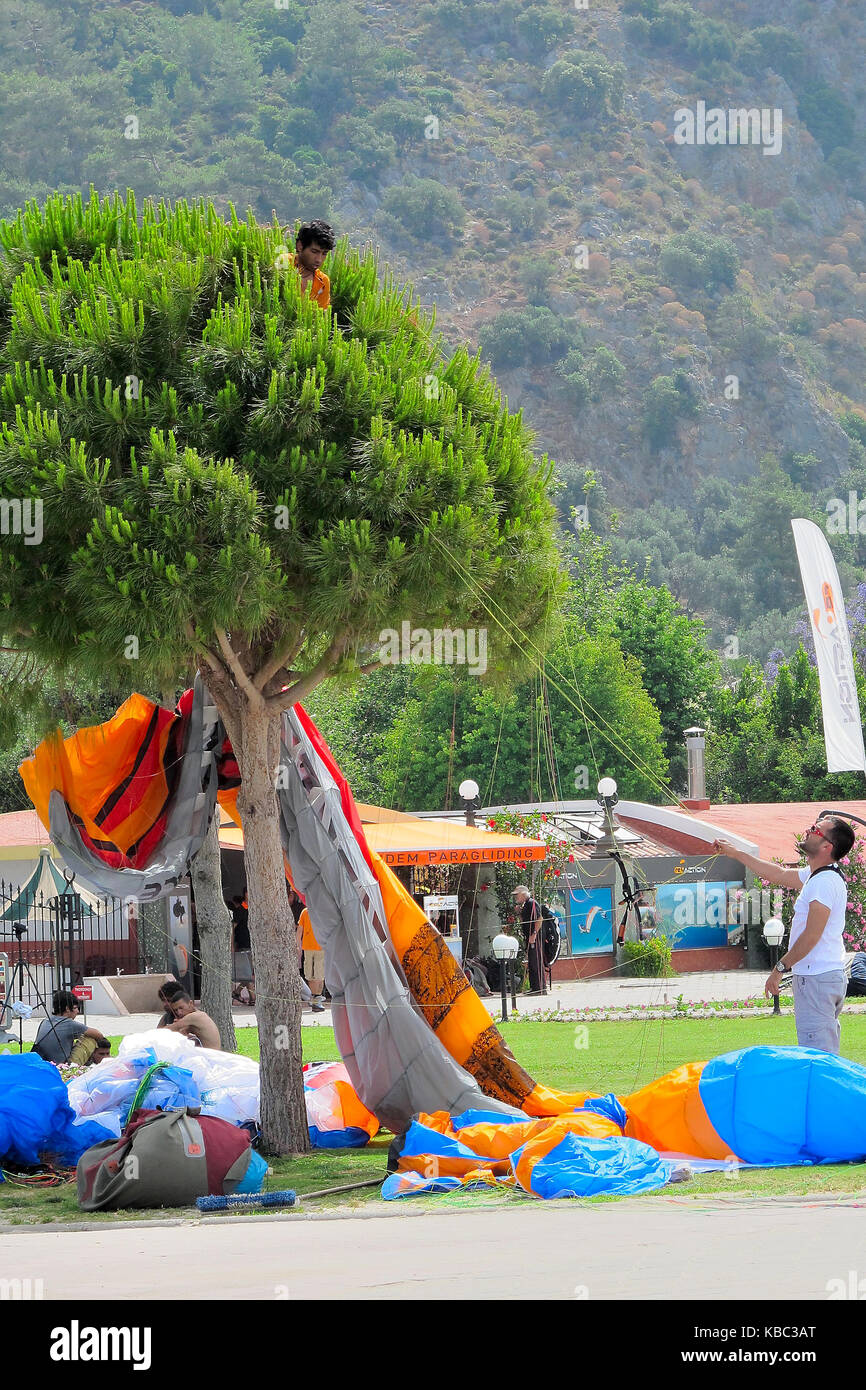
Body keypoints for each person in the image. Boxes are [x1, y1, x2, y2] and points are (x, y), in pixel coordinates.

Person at [714, 813, 855, 1054]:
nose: (809, 830)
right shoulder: (818, 875)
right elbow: (777, 874)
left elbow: (812, 936)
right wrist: (735, 853)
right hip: (820, 978)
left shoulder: (823, 881)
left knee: (817, 1058)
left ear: (826, 846)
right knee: (821, 1054)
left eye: (816, 829)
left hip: (817, 979)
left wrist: (779, 969)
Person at [32, 990, 111, 1067]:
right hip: (61, 1066)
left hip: (42, 1063)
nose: (78, 1011)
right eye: (76, 1008)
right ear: (67, 1009)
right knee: (89, 1038)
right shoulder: (70, 1024)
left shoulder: (45, 1021)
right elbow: (98, 1035)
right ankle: (95, 1063)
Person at [289, 219, 336, 309]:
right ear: (300, 246)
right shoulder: (284, 263)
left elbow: (321, 317)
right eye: (314, 251)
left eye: (324, 253)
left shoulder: (323, 282)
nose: (319, 259)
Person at [512, 884, 544, 994]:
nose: (516, 898)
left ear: (523, 894)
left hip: (534, 937)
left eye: (518, 895)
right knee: (531, 962)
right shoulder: (526, 905)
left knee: (535, 962)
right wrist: (519, 913)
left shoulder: (532, 903)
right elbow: (523, 922)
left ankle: (539, 988)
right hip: (528, 936)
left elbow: (539, 918)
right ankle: (534, 987)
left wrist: (534, 934)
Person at [298, 905, 326, 1013]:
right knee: (310, 975)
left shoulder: (324, 911)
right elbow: (300, 930)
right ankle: (315, 999)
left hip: (320, 948)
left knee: (318, 976)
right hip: (308, 948)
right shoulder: (305, 912)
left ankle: (317, 999)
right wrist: (298, 945)